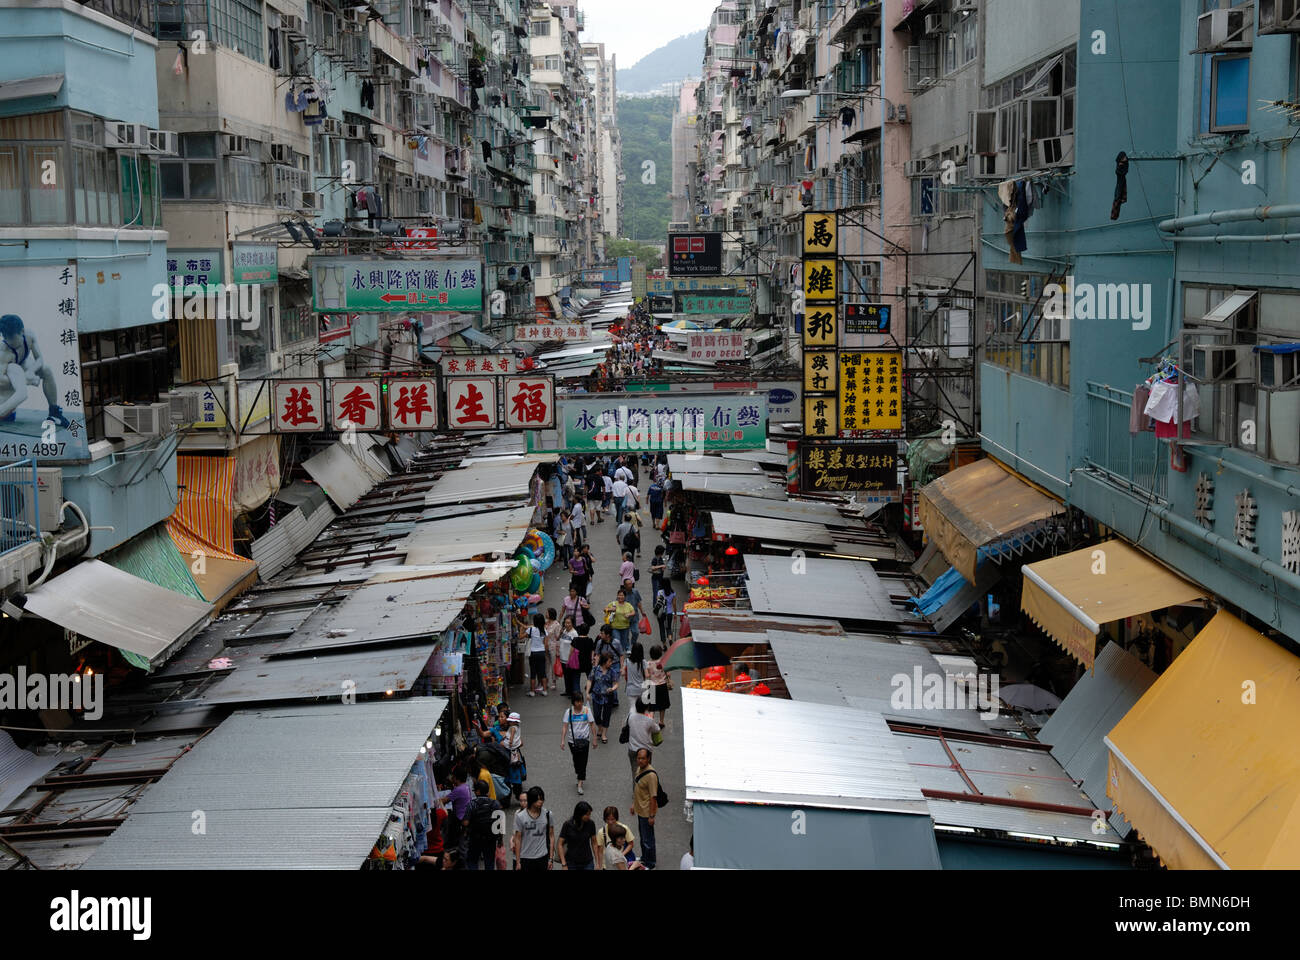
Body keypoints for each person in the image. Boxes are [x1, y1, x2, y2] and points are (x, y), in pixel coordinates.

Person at [0, 314, 71, 427]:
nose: (10, 342)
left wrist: (30, 372)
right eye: (6, 338)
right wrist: (25, 380)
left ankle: (54, 412)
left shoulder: (29, 336)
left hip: (20, 370)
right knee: (14, 370)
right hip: (6, 389)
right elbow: (0, 382)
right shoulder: (3, 351)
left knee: (46, 370)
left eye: (12, 338)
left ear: (22, 331)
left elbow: (39, 359)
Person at [512, 785, 554, 871]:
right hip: (526, 858)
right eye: (538, 799)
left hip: (542, 857)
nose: (541, 802)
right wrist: (518, 861)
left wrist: (550, 859)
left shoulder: (548, 814)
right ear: (531, 800)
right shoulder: (520, 816)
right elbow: (518, 839)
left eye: (542, 799)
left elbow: (551, 836)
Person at [561, 691, 594, 795]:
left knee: (583, 762)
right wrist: (562, 740)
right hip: (573, 741)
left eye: (581, 701)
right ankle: (579, 773)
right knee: (576, 760)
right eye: (577, 701)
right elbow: (565, 726)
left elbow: (592, 725)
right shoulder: (569, 712)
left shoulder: (587, 711)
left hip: (584, 741)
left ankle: (580, 783)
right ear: (573, 702)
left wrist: (594, 739)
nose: (579, 704)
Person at [632, 748, 660, 870]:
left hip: (646, 812)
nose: (640, 760)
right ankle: (644, 858)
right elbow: (638, 788)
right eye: (639, 758)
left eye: (643, 758)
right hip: (640, 809)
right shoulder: (639, 769)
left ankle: (650, 863)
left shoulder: (651, 776)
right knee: (643, 837)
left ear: (648, 758)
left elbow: (653, 797)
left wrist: (651, 816)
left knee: (648, 839)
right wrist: (634, 804)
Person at [465, 778, 502, 870]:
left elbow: (466, 823)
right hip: (491, 838)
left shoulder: (472, 804)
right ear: (487, 791)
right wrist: (500, 839)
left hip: (475, 838)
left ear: (477, 792)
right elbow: (500, 823)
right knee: (489, 862)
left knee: (472, 861)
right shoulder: (495, 804)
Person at [589, 649, 620, 745]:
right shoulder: (595, 669)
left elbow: (616, 683)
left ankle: (604, 734)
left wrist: (612, 688)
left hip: (608, 697)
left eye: (611, 661)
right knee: (597, 715)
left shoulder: (612, 672)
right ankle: (600, 728)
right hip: (596, 696)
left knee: (606, 715)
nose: (611, 663)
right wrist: (587, 692)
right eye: (609, 661)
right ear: (604, 661)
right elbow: (589, 680)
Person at [558, 801, 598, 870]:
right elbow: (560, 844)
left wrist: (597, 862)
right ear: (579, 814)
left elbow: (594, 843)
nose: (589, 817)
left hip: (587, 862)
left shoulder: (591, 824)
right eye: (587, 815)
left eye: (590, 814)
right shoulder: (567, 825)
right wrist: (564, 864)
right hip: (571, 863)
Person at [626, 696, 661, 774]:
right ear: (646, 707)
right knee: (645, 773)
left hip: (632, 748)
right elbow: (657, 729)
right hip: (645, 750)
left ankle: (636, 786)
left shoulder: (631, 717)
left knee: (635, 773)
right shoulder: (649, 720)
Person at [646, 643, 671, 729]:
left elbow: (647, 675)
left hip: (652, 686)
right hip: (662, 685)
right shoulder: (662, 663)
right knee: (662, 705)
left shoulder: (648, 663)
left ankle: (651, 720)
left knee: (652, 706)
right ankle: (661, 721)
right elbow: (668, 674)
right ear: (660, 654)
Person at [525, 612, 547, 697]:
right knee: (543, 672)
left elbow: (521, 636)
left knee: (533, 672)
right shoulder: (544, 630)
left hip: (533, 653)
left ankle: (532, 691)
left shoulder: (531, 630)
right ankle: (544, 690)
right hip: (542, 652)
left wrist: (522, 629)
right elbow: (545, 643)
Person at [502, 712, 525, 794]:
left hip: (511, 747)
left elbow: (511, 736)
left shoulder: (512, 728)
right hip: (516, 747)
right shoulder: (518, 727)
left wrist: (510, 742)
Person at [622, 577, 646, 649]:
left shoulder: (635, 592)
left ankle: (632, 643)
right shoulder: (622, 594)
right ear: (625, 586)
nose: (630, 585)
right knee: (626, 634)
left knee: (635, 632)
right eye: (628, 584)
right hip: (625, 618)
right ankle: (628, 647)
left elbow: (638, 602)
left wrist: (642, 611)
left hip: (635, 617)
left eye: (631, 583)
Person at [558, 615, 578, 697]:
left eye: (569, 623)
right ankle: (567, 690)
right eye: (566, 622)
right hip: (563, 657)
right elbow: (557, 639)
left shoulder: (574, 633)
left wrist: (570, 658)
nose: (567, 624)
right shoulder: (564, 631)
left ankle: (572, 692)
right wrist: (560, 633)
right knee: (566, 675)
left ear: (572, 623)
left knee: (571, 676)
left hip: (569, 659)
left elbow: (575, 647)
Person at [545, 607, 563, 693]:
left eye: (547, 612)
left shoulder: (557, 625)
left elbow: (558, 637)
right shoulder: (545, 623)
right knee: (546, 664)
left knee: (553, 665)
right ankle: (546, 680)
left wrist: (558, 650)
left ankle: (554, 682)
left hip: (553, 647)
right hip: (545, 646)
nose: (546, 613)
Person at [624, 641, 646, 708]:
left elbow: (622, 672)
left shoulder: (627, 661)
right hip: (642, 688)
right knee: (641, 709)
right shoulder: (643, 662)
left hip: (631, 689)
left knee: (633, 708)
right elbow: (647, 675)